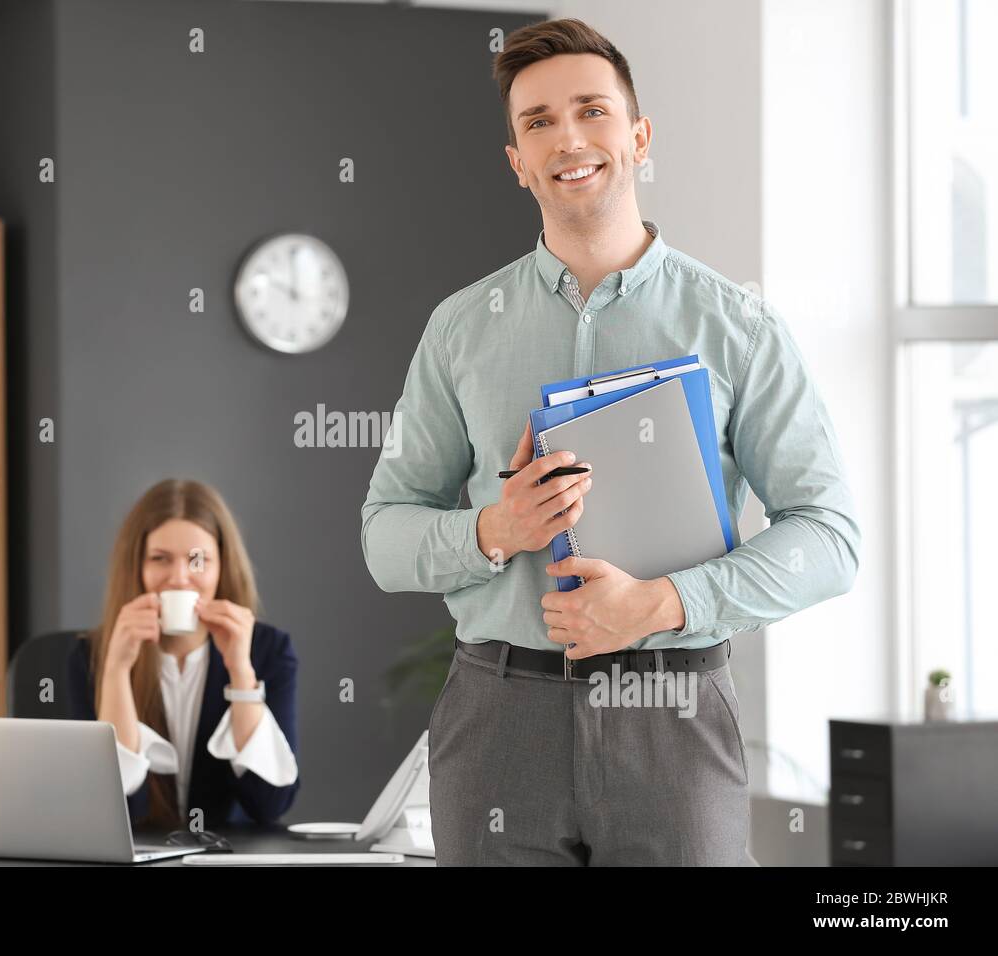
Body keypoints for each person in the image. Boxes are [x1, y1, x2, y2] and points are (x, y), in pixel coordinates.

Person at [360, 18, 859, 865]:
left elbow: (831, 537)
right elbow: (384, 535)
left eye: (592, 110)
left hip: (674, 717)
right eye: (538, 122)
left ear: (638, 134)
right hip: (497, 720)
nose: (569, 139)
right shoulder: (458, 331)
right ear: (517, 160)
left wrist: (665, 604)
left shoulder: (739, 327)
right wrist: (494, 530)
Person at [71, 478, 299, 830]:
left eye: (198, 560)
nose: (179, 578)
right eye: (160, 559)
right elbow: (109, 811)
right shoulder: (90, 656)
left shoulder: (267, 652)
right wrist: (116, 670)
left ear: (223, 565)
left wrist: (240, 670)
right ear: (137, 567)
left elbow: (269, 803)